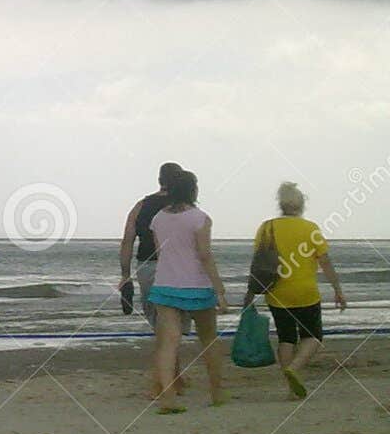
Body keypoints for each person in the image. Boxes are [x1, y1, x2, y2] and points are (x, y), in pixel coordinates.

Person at [241, 181, 346, 400]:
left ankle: (290, 389)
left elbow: (258, 263)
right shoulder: (310, 228)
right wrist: (337, 289)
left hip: (277, 293)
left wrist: (249, 293)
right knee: (313, 336)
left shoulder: (266, 227)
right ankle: (295, 368)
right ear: (301, 205)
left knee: (286, 338)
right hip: (305, 292)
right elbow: (325, 262)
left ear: (280, 203)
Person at [146, 170, 230, 413]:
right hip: (197, 285)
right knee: (208, 340)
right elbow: (204, 255)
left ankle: (168, 398)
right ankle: (217, 393)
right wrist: (219, 288)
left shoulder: (158, 218)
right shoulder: (200, 218)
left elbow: (160, 253)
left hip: (166, 284)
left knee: (168, 344)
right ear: (193, 190)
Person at [119, 162, 186, 397]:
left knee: (159, 323)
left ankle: (170, 376)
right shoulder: (182, 207)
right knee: (174, 322)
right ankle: (172, 377)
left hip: (147, 267)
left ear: (159, 179)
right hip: (177, 268)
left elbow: (127, 241)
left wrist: (125, 275)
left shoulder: (141, 206)